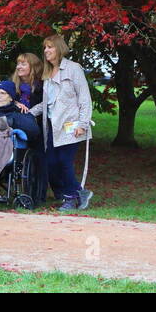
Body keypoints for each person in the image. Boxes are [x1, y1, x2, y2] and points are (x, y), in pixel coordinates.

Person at [26, 34, 93, 211]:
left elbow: (85, 99)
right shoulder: (48, 73)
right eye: (45, 47)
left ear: (59, 48)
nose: (46, 50)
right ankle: (79, 192)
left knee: (64, 160)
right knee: (51, 163)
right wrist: (29, 112)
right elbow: (47, 102)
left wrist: (82, 124)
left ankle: (70, 197)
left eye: (50, 47)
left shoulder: (73, 68)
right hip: (53, 126)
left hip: (71, 124)